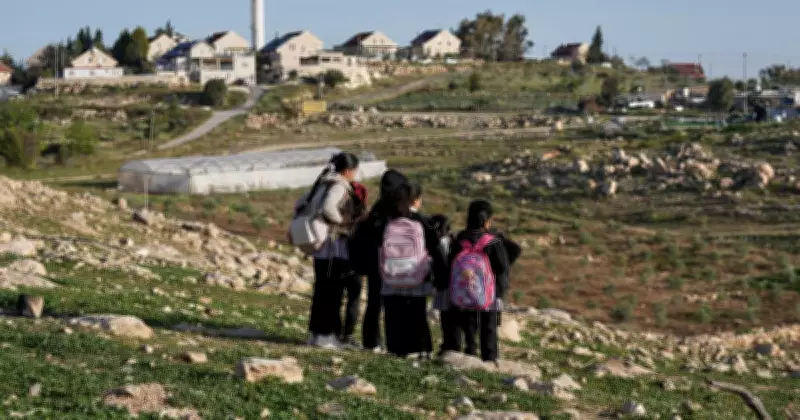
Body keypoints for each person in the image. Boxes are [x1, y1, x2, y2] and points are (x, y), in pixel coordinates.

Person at [435, 199, 521, 362]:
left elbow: (452, 261)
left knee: (468, 323)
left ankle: (470, 350)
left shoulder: (460, 238)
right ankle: (490, 356)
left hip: (464, 290)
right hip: (488, 293)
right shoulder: (493, 241)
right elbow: (502, 266)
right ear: (487, 221)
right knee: (488, 326)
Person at [294, 152, 361, 349]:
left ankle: (316, 334)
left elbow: (299, 204)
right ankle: (326, 336)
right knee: (333, 292)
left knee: (321, 290)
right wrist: (345, 223)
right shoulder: (339, 186)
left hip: (319, 248)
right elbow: (329, 207)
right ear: (348, 171)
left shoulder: (322, 183)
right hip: (333, 248)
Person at [379, 182, 448, 358]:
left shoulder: (386, 220)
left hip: (391, 276)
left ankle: (394, 348)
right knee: (416, 313)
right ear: (416, 201)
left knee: (393, 313)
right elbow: (436, 250)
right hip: (416, 276)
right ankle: (419, 349)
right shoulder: (424, 222)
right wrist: (442, 278)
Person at [349, 169, 410, 352]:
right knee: (394, 305)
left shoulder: (378, 207)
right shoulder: (398, 210)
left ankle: (371, 341)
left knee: (374, 302)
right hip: (392, 264)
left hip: (375, 263)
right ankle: (394, 342)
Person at [336, 181, 369, 346]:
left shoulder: (340, 212)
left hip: (338, 258)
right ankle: (347, 335)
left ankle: (335, 331)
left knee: (337, 296)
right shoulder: (365, 217)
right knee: (353, 299)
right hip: (356, 262)